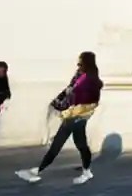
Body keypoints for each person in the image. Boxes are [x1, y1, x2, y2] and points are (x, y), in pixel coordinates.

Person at [16, 52, 103, 186]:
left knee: (59, 144)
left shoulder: (89, 80)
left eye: (80, 63)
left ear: (87, 63)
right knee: (80, 145)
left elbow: (82, 98)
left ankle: (38, 171)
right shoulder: (82, 76)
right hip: (74, 115)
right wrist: (59, 100)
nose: (78, 65)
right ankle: (86, 171)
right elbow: (69, 90)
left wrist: (69, 98)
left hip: (76, 116)